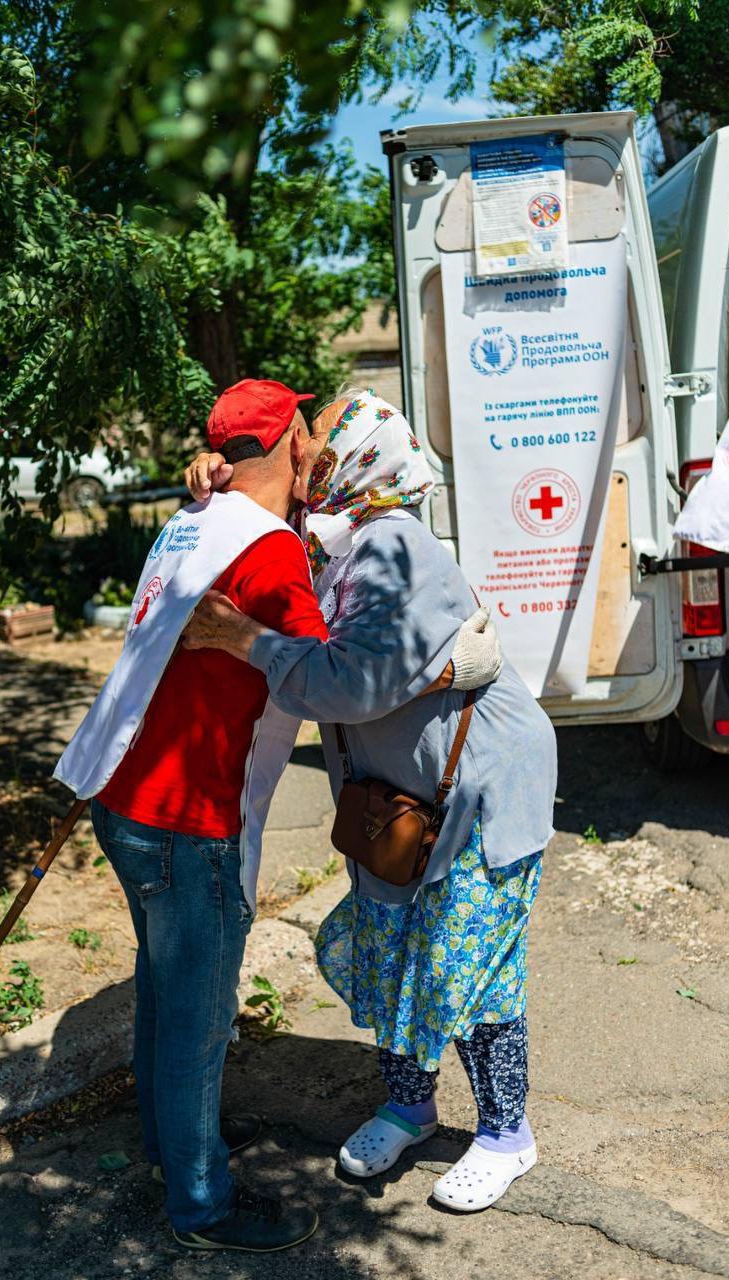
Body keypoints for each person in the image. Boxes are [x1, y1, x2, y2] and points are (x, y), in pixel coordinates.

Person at [183, 388, 558, 1212]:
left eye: (318, 443)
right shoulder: (334, 543)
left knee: (469, 964)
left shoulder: (394, 546)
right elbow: (267, 557)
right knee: (390, 953)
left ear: (359, 459)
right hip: (402, 801)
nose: (305, 454)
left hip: (482, 796)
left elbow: (351, 684)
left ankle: (505, 1135)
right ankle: (408, 1107)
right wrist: (215, 483)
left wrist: (241, 639)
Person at [55, 379, 329, 1253]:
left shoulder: (196, 518)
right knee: (198, 1017)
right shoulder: (272, 549)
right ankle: (201, 1203)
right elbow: (324, 677)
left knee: (166, 989)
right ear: (288, 441)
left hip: (125, 797)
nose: (318, 440)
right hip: (188, 817)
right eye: (310, 427)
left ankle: (174, 1143)